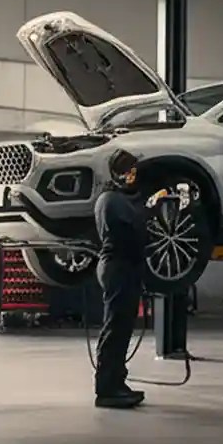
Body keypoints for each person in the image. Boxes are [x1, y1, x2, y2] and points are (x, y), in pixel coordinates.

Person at [92, 149, 148, 409]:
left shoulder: (121, 198)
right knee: (115, 327)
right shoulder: (111, 200)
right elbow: (134, 230)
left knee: (122, 326)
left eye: (135, 171)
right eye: (129, 171)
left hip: (125, 267)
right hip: (117, 267)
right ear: (117, 173)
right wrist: (152, 209)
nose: (132, 176)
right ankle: (107, 389)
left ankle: (117, 382)